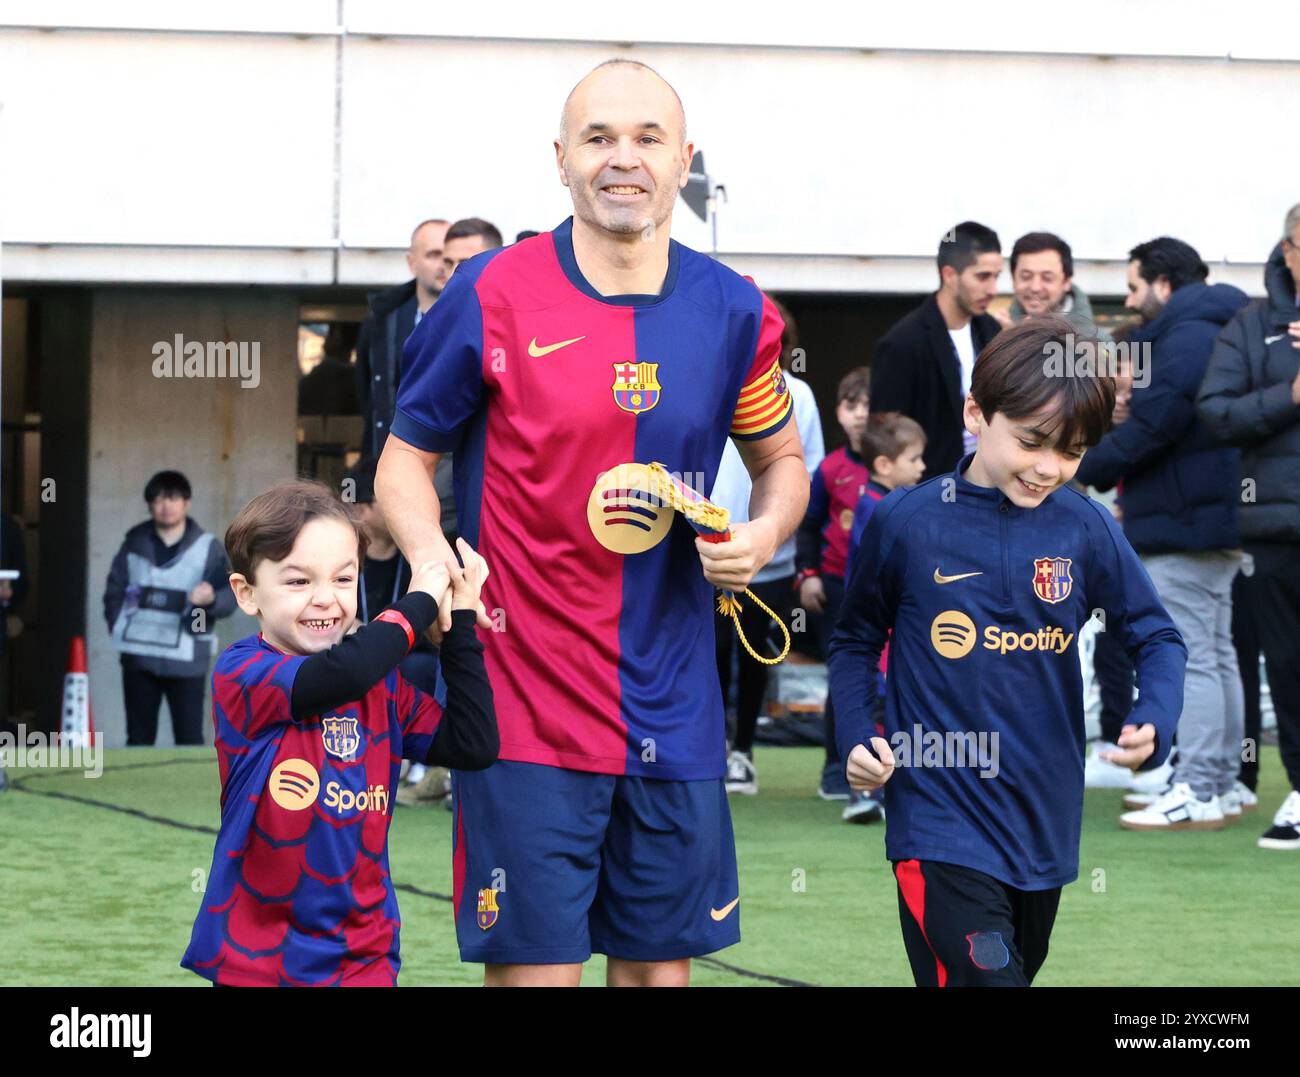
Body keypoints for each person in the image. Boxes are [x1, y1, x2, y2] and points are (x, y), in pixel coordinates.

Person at [376, 58, 808, 987]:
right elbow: (404, 459)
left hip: (676, 702)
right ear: (561, 158)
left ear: (684, 158)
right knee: (538, 974)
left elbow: (782, 464)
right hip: (523, 697)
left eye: (649, 138)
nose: (624, 159)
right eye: (599, 138)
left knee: (658, 974)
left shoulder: (734, 310)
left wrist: (762, 538)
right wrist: (430, 567)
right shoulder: (489, 293)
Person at [829, 319, 1186, 987]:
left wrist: (1154, 716)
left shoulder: (1084, 526)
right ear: (975, 412)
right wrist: (855, 733)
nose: (1049, 466)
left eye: (1073, 451)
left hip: (1043, 819)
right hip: (936, 817)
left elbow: (1157, 634)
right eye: (1031, 442)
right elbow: (853, 639)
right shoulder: (906, 521)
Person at [180, 480, 497, 986]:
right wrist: (421, 598)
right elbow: (342, 675)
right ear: (245, 593)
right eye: (298, 582)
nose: (326, 600)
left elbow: (473, 744)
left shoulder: (383, 687)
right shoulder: (242, 671)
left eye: (344, 579)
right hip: (258, 955)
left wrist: (458, 624)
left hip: (363, 953)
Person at [1070, 237, 1249, 831]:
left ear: (1164, 283)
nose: (1130, 299)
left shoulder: (1187, 336)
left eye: (1133, 286)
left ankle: (1197, 786)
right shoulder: (1213, 326)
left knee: (1195, 653)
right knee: (1216, 653)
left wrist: (1078, 466)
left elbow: (1155, 424)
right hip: (1207, 518)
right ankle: (1216, 784)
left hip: (1185, 521)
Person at [1198, 202, 1300, 850]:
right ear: (1288, 250)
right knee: (1288, 665)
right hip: (1274, 528)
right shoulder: (1250, 324)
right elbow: (1215, 410)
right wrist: (1288, 397)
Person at [711, 295, 824, 796]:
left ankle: (744, 753)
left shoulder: (796, 394)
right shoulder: (704, 383)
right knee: (710, 654)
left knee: (757, 655)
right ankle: (712, 746)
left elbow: (807, 469)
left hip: (768, 555)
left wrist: (774, 531)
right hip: (706, 551)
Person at [345, 457, 451, 805]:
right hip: (354, 650)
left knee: (424, 667)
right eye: (385, 502)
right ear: (361, 509)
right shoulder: (345, 559)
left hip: (406, 653)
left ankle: (422, 763)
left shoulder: (415, 558)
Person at [103, 471, 237, 746]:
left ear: (186, 503)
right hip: (139, 656)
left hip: (187, 659)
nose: (166, 505)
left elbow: (231, 596)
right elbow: (114, 592)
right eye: (158, 499)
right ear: (149, 504)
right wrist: (119, 629)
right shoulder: (133, 543)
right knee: (138, 739)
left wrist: (211, 598)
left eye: (174, 498)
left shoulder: (208, 548)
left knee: (189, 738)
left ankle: (189, 790)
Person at [838, 411, 927, 824]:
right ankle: (867, 789)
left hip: (884, 624)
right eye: (914, 459)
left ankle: (877, 789)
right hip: (882, 628)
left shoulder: (879, 503)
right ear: (884, 465)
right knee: (881, 703)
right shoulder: (882, 510)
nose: (923, 467)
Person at [871, 221, 1003, 477]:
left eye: (996, 276)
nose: (993, 289)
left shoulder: (992, 331)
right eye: (983, 276)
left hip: (990, 485)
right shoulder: (902, 343)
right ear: (949, 275)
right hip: (931, 491)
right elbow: (884, 434)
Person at [794, 367, 869, 809]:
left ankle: (881, 772)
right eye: (851, 405)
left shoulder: (899, 467)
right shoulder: (829, 469)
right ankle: (833, 770)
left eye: (867, 405)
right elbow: (807, 526)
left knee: (883, 680)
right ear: (838, 412)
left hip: (885, 593)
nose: (860, 414)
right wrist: (807, 575)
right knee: (843, 679)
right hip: (837, 588)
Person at [998, 231, 1112, 341]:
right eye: (1026, 276)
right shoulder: (994, 334)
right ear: (1013, 279)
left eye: (1047, 278)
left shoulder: (1098, 343)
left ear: (1067, 281)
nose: (1035, 287)